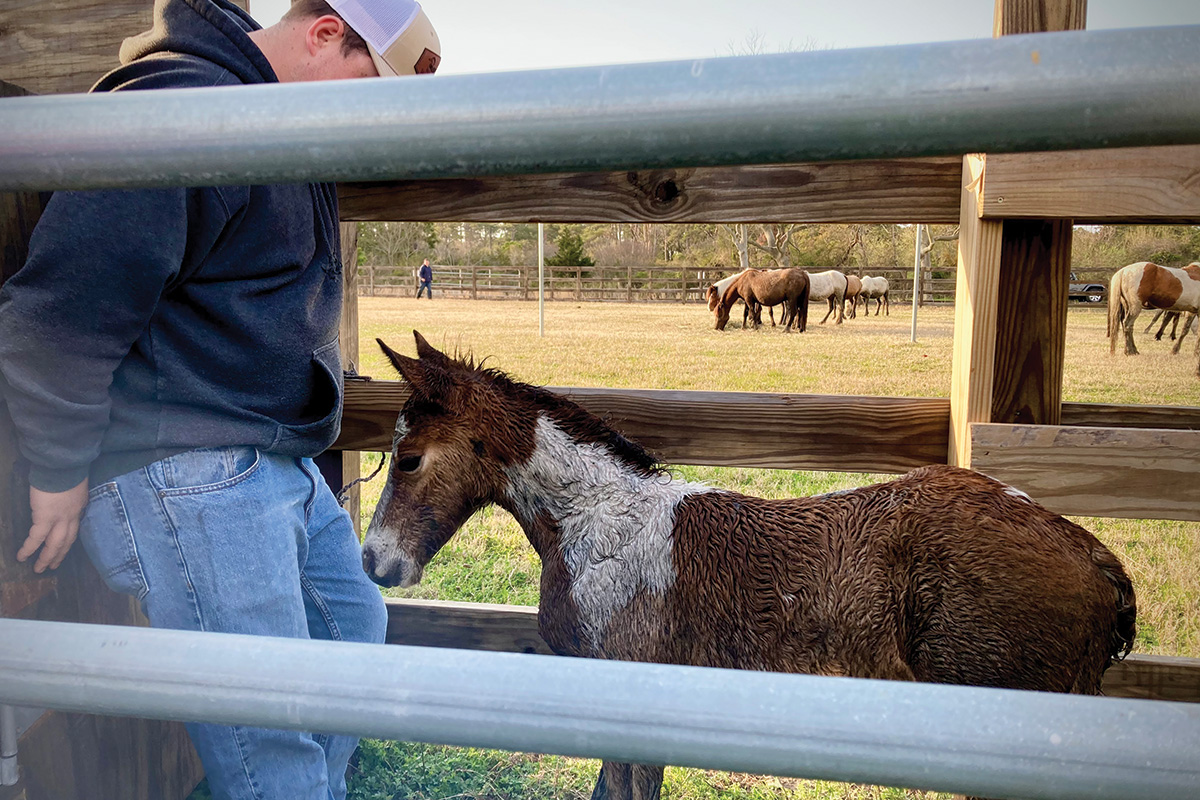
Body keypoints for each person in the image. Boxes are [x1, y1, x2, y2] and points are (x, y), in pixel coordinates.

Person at [0, 1, 439, 798]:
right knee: (267, 729)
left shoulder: (277, 122)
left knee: (352, 634)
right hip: (190, 468)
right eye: (369, 86)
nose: (371, 120)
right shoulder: (186, 114)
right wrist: (58, 468)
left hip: (267, 455)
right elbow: (60, 312)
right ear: (324, 34)